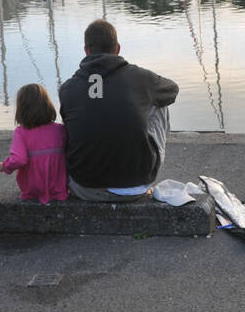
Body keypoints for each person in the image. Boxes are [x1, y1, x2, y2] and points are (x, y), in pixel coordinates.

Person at [58, 19, 178, 201]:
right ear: (118, 49)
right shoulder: (140, 77)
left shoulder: (67, 88)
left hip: (83, 187)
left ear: (86, 51)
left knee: (81, 115)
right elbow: (172, 90)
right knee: (159, 101)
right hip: (135, 187)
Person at [0, 83, 68, 204]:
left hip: (32, 189)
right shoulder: (61, 130)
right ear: (47, 105)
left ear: (21, 109)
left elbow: (19, 160)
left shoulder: (21, 132)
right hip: (59, 189)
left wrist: (3, 166)